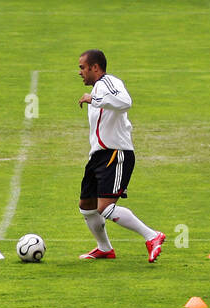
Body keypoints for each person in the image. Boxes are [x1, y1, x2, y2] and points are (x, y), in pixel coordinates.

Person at [74, 49, 165, 263]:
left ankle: (152, 236)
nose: (80, 72)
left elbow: (125, 102)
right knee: (86, 206)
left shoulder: (108, 82)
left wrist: (94, 99)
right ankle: (104, 248)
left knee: (105, 208)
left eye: (82, 67)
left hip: (116, 153)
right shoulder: (99, 88)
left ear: (95, 67)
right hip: (98, 156)